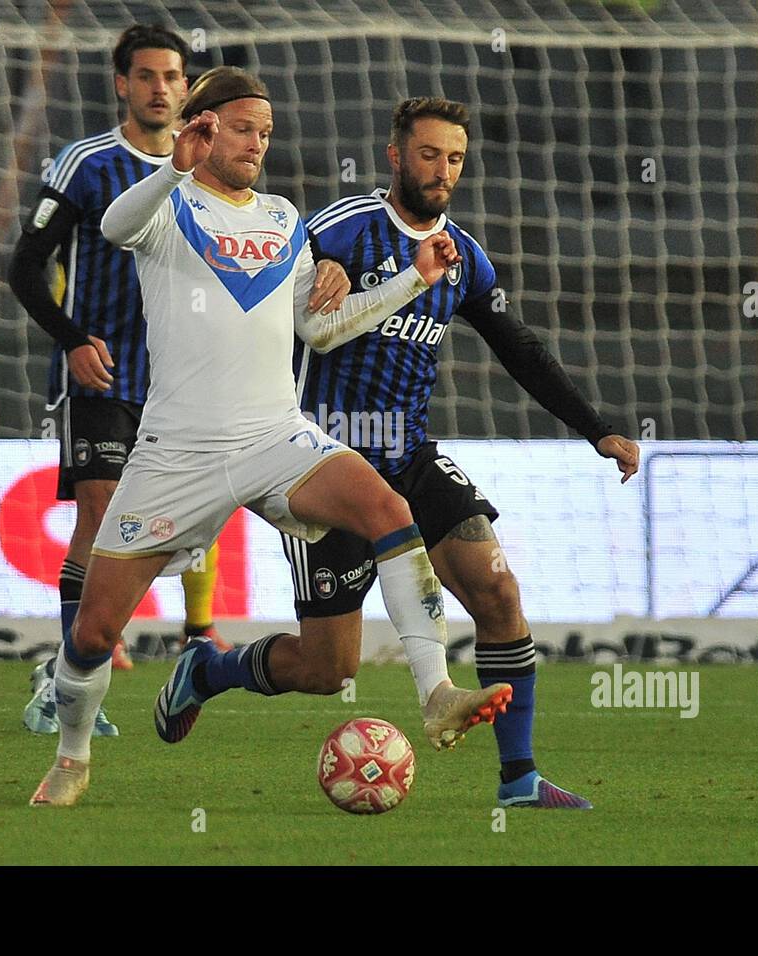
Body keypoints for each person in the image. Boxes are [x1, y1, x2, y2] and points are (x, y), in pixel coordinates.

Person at [30, 68, 510, 807]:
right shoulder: (167, 202)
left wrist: (410, 280)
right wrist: (173, 166)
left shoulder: (284, 219)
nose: (258, 143)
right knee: (93, 633)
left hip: (274, 435)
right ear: (204, 127)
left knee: (389, 511)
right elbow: (113, 227)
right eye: (245, 128)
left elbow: (317, 329)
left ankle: (437, 689)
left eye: (266, 132)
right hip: (178, 452)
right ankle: (71, 757)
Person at [282, 97, 643, 809]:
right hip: (323, 463)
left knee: (497, 589)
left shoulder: (464, 257)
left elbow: (520, 349)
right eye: (428, 155)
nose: (443, 170)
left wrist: (596, 427)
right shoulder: (341, 230)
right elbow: (285, 299)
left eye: (454, 158)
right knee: (328, 668)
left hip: (410, 456)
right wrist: (312, 270)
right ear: (395, 156)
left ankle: (520, 780)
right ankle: (208, 671)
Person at [7, 26, 349, 735]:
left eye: (172, 76)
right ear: (122, 84)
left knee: (205, 500)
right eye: (146, 76)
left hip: (193, 382)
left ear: (190, 91)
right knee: (101, 514)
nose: (160, 87)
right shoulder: (89, 163)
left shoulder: (225, 177)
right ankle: (78, 670)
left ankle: (198, 637)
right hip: (106, 372)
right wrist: (71, 341)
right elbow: (24, 264)